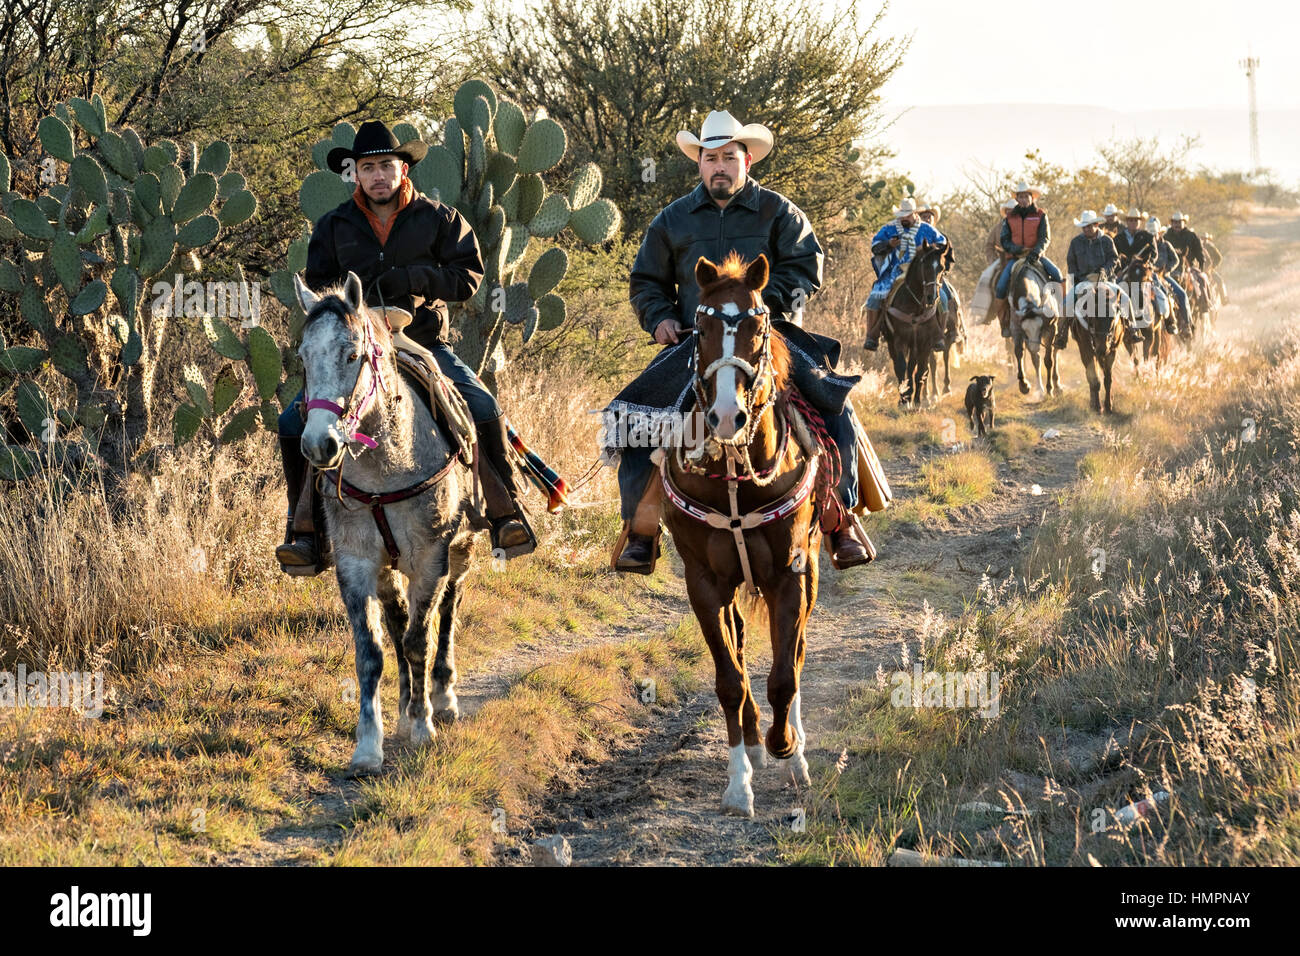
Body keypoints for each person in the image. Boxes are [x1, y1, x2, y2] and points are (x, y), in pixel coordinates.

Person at [609, 109, 875, 572]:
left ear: (746, 159)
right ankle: (641, 529)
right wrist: (659, 321)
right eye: (710, 158)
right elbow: (645, 282)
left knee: (836, 404)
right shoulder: (672, 220)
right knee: (634, 418)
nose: (720, 166)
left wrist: (763, 308)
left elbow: (806, 267)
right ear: (700, 163)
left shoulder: (779, 211)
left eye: (729, 157)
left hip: (765, 334)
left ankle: (839, 518)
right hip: (697, 341)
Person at [275, 120, 535, 573]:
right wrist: (348, 309)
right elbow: (318, 289)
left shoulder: (438, 218)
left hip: (420, 341)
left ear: (403, 168)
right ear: (354, 173)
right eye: (368, 167)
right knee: (293, 422)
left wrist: (414, 278)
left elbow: (468, 277)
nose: (378, 176)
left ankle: (505, 513)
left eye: (386, 166)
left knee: (482, 406)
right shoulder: (333, 226)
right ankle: (306, 534)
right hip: (357, 345)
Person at [861, 198, 949, 351]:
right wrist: (888, 245)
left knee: (943, 298)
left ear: (914, 214)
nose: (903, 219)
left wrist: (929, 250)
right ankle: (872, 336)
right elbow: (875, 246)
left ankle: (938, 335)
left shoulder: (927, 229)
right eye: (901, 216)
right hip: (895, 270)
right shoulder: (889, 229)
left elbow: (942, 244)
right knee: (875, 296)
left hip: (922, 272)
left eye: (906, 215)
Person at [988, 181, 1063, 334]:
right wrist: (1017, 250)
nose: (1023, 199)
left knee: (1057, 275)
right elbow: (1005, 240)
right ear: (1017, 199)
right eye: (1020, 197)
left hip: (1036, 257)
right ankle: (1005, 323)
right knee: (1001, 286)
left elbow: (1045, 238)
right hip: (1015, 258)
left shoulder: (1041, 215)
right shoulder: (1009, 218)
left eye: (1026, 196)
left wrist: (1035, 253)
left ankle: (1063, 319)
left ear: (1032, 197)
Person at [1062, 209, 1120, 347]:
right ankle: (1062, 333)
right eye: (1084, 226)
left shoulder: (1106, 241)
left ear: (1096, 225)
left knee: (1125, 297)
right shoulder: (1076, 242)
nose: (1086, 229)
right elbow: (1071, 262)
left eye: (1089, 226)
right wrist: (1076, 278)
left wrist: (1104, 271)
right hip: (1083, 281)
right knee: (1066, 304)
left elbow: (1114, 259)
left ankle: (1133, 329)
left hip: (1106, 281)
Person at [916, 200, 964, 352]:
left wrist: (943, 271)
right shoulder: (914, 236)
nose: (927, 219)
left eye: (929, 216)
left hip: (937, 277)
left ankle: (952, 329)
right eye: (924, 216)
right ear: (919, 219)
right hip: (918, 277)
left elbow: (950, 258)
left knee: (948, 296)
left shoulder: (942, 237)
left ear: (934, 219)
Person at [1147, 216, 1186, 334]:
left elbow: (1176, 260)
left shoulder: (1166, 245)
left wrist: (1166, 270)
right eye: (1150, 234)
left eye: (1154, 234)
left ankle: (1173, 321)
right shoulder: (1145, 246)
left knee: (1177, 293)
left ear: (1159, 233)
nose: (1153, 236)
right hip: (1147, 275)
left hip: (1163, 275)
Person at [1202, 232, 1229, 303]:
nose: (1204, 240)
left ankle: (1224, 299)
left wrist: (1212, 267)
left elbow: (1219, 258)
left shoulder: (1211, 247)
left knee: (1219, 280)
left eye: (1205, 238)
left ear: (1208, 239)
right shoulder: (1196, 246)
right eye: (1202, 238)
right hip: (1199, 269)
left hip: (1209, 269)